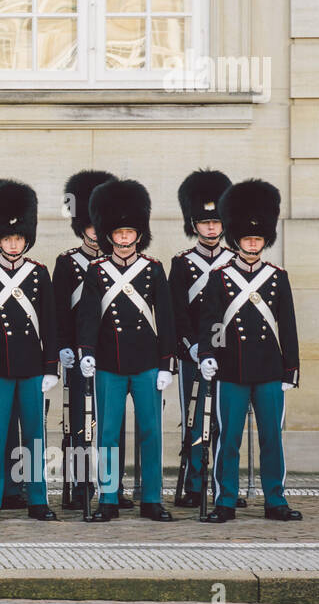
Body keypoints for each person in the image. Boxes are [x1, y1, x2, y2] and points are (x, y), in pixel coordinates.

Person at [197, 179, 302, 523]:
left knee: (272, 439)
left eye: (258, 238)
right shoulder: (221, 276)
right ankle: (225, 500)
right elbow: (212, 320)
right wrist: (210, 354)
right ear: (238, 240)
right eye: (247, 238)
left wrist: (291, 370)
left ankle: (276, 500)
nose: (253, 243)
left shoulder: (277, 277)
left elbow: (287, 325)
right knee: (229, 441)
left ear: (264, 240)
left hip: (270, 371)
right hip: (233, 371)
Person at [76, 178, 176, 522]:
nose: (123, 237)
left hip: (147, 362)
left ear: (138, 234)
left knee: (151, 432)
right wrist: (86, 350)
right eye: (118, 232)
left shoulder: (153, 269)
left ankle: (151, 498)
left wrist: (167, 363)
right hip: (108, 363)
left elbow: (165, 318)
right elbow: (88, 315)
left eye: (129, 232)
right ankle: (107, 497)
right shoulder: (96, 271)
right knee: (107, 434)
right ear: (109, 235)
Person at [0, 180, 59, 521]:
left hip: (32, 367)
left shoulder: (39, 274)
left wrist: (51, 367)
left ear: (26, 239)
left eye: (18, 238)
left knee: (35, 435)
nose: (14, 243)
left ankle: (38, 499)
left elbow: (49, 324)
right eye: (7, 238)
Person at [168, 169, 233, 508]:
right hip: (193, 354)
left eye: (216, 222)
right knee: (195, 421)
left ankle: (225, 487)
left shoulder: (234, 263)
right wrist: (190, 346)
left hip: (228, 354)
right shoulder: (181, 264)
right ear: (194, 224)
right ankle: (195, 484)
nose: (211, 228)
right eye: (205, 222)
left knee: (226, 422)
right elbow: (176, 312)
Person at [52, 170, 117, 509]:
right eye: (89, 226)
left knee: (110, 424)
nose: (94, 232)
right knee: (78, 422)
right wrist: (63, 346)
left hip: (112, 354)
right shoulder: (67, 263)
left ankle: (111, 487)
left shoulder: (119, 264)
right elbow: (59, 312)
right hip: (78, 354)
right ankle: (79, 485)